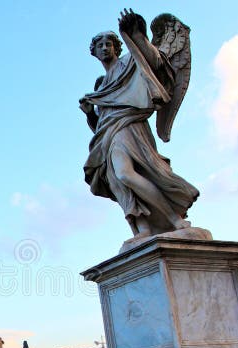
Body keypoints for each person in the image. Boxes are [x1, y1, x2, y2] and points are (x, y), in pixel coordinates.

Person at [79, 9, 198, 239]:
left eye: (108, 44)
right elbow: (100, 127)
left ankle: (175, 219)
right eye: (100, 45)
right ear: (93, 52)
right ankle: (143, 226)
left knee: (125, 174)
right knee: (119, 182)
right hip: (110, 137)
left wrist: (138, 35)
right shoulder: (101, 86)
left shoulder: (130, 61)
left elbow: (155, 63)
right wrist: (89, 114)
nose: (104, 48)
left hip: (132, 128)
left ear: (117, 47)